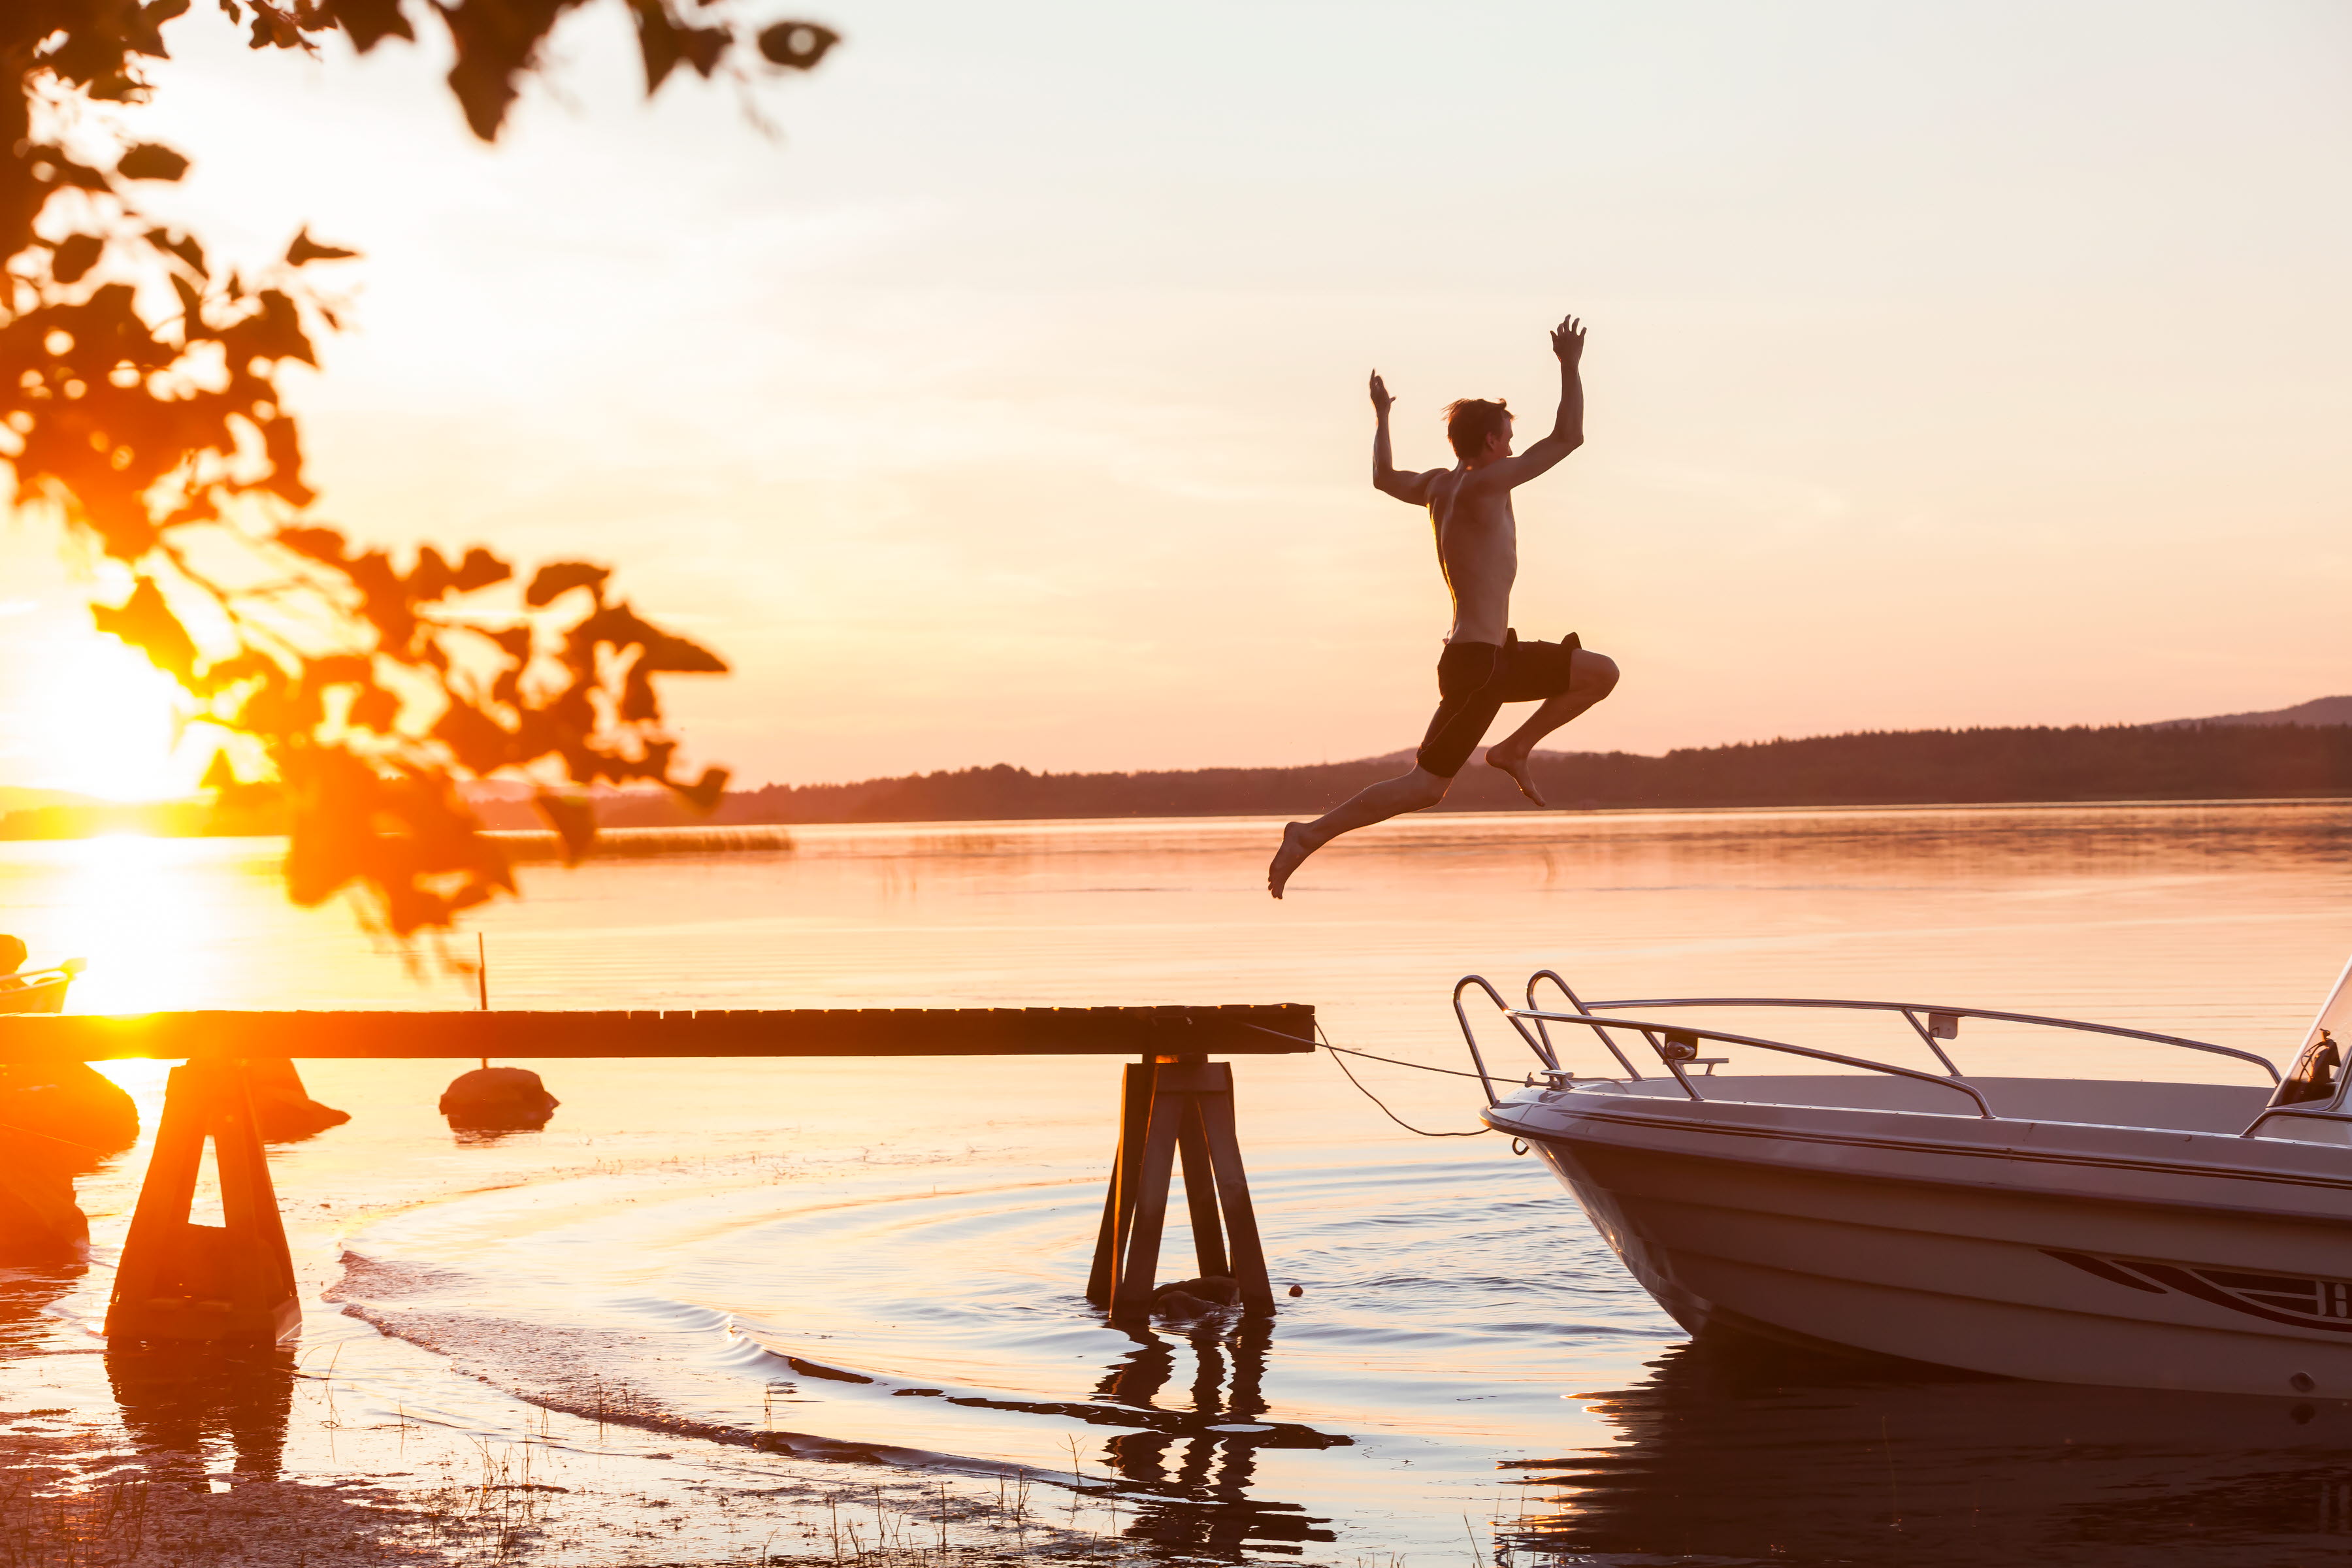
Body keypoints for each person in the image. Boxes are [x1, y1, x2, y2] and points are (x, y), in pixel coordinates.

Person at [1269, 313, 1618, 898]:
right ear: (1490, 442)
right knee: (1426, 787)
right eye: (1507, 436)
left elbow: (1382, 476)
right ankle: (1309, 834)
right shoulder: (1485, 484)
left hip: (1491, 655)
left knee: (1600, 673)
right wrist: (1570, 368)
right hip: (1478, 666)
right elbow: (1568, 439)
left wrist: (1382, 416)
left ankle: (1513, 748)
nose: (1512, 447)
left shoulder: (1437, 486)